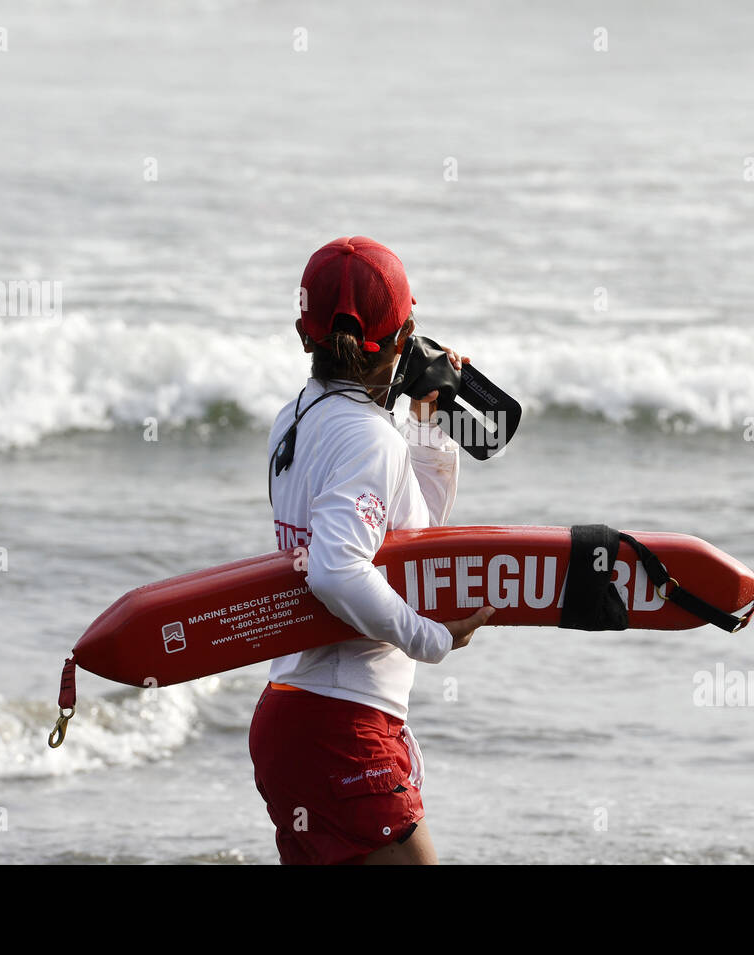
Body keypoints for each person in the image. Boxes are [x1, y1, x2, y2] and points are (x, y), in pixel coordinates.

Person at [248, 236, 495, 865]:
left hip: (291, 719)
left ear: (304, 335)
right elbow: (337, 570)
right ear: (405, 333)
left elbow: (402, 541)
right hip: (342, 725)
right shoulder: (368, 441)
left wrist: (424, 427)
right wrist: (429, 637)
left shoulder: (295, 420)